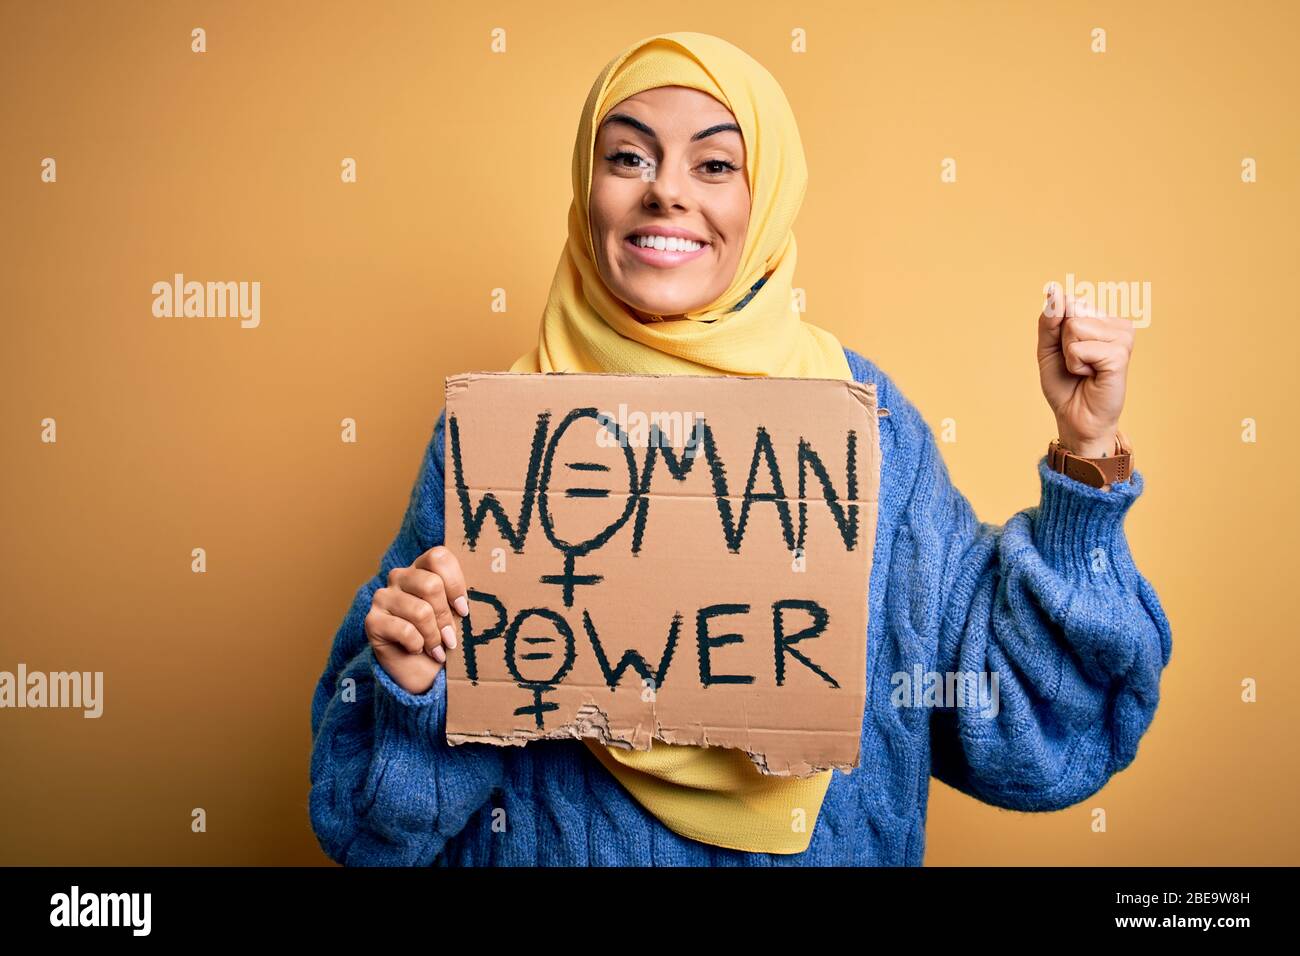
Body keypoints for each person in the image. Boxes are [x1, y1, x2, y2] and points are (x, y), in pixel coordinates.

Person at [308, 31, 1171, 866]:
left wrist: (1087, 447)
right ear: (586, 189)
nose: (666, 194)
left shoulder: (866, 432)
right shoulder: (495, 441)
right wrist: (415, 689)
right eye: (629, 158)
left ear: (766, 200)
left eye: (715, 164)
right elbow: (367, 828)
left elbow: (1038, 738)